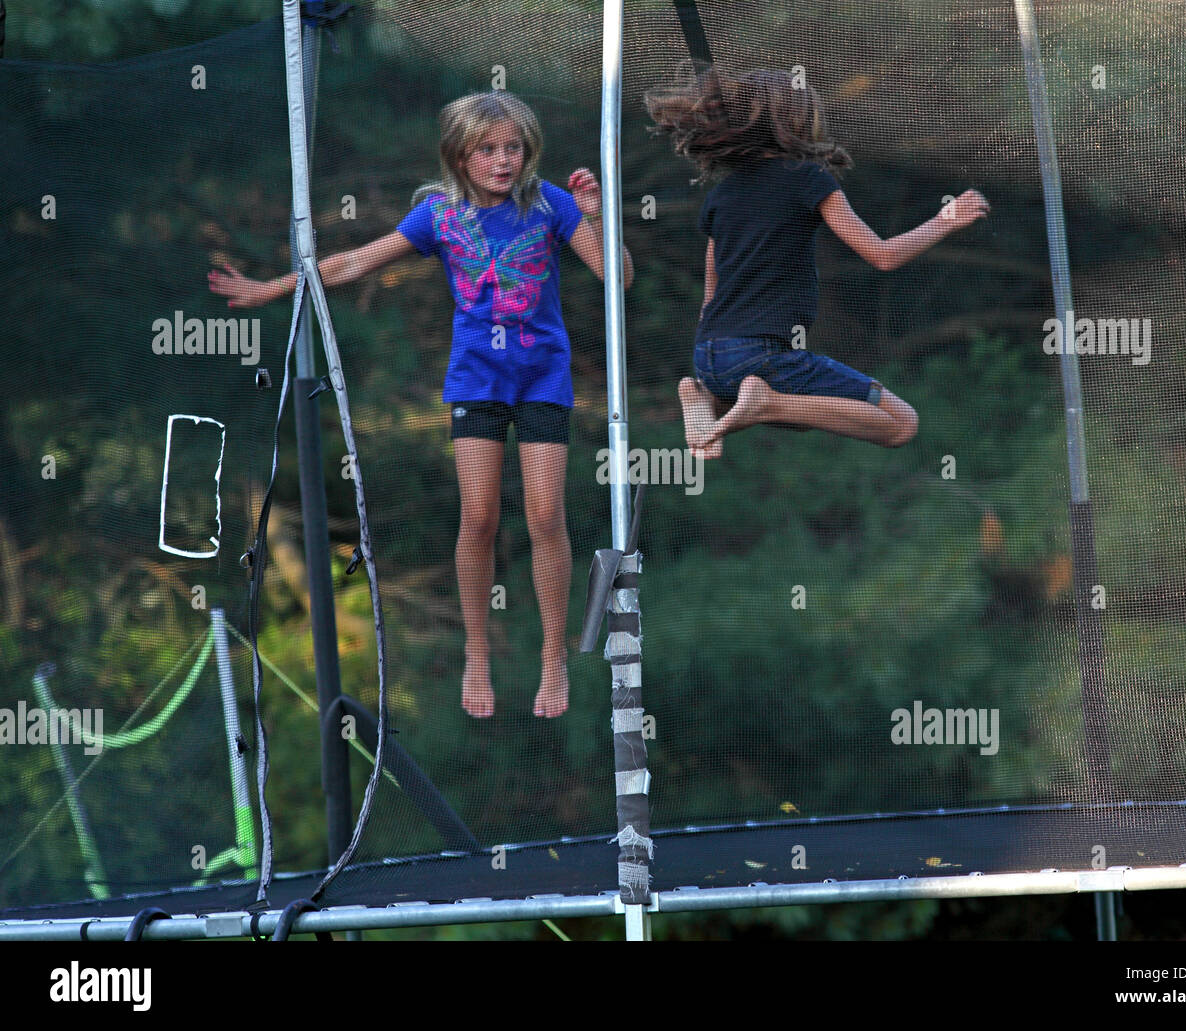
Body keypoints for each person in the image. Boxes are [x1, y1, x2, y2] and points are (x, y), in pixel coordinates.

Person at [209, 91, 633, 719]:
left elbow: (617, 276)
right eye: (488, 149)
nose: (503, 160)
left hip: (543, 378)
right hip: (476, 382)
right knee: (479, 519)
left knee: (546, 517)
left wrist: (596, 219)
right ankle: (478, 655)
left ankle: (552, 659)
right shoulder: (438, 215)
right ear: (460, 156)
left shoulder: (550, 204)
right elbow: (353, 261)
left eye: (513, 147)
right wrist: (270, 288)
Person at [645, 67, 989, 459]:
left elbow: (711, 295)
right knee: (900, 424)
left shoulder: (720, 196)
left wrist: (721, 367)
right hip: (760, 356)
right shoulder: (808, 179)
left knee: (811, 412)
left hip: (709, 355)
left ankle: (709, 398)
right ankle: (759, 402)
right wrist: (948, 218)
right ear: (795, 121)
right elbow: (884, 255)